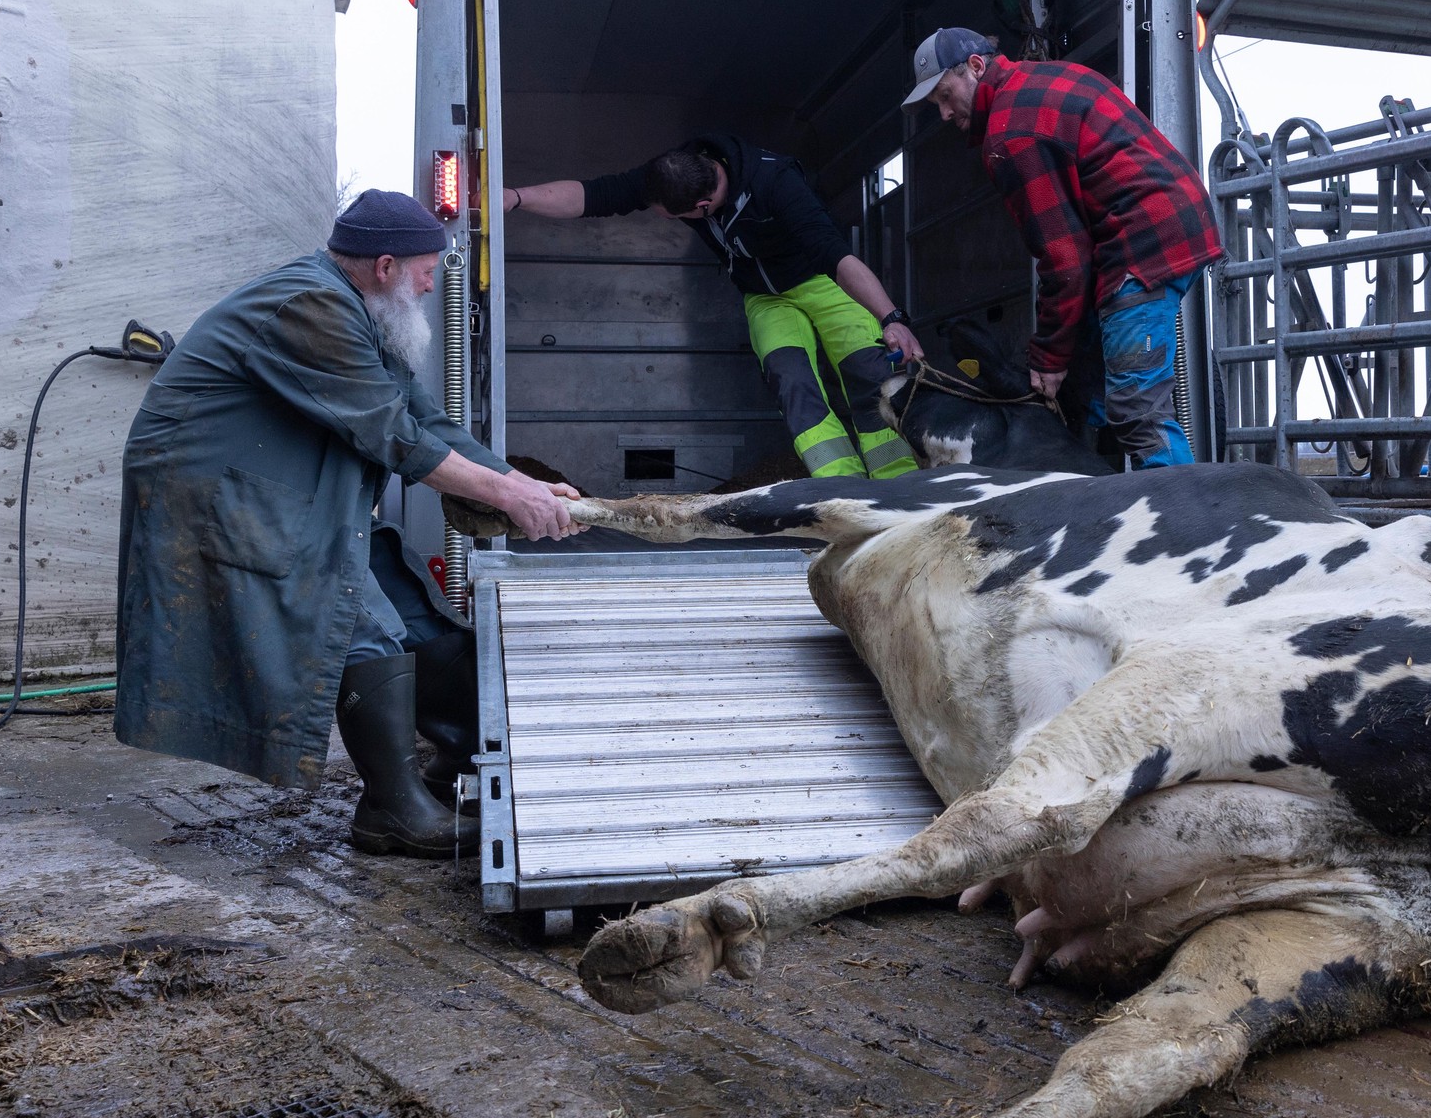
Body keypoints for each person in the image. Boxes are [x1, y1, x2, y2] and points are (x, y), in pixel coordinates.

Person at [114, 190, 583, 859]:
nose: (431, 283)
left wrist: (522, 484)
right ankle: (392, 811)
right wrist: (511, 498)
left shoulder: (362, 309)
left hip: (288, 486)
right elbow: (395, 438)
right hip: (214, 489)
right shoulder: (312, 305)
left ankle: (453, 758)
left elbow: (430, 421)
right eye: (427, 270)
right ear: (385, 265)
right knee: (363, 623)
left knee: (414, 612)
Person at [504, 135, 923, 480]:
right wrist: (516, 197)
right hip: (764, 296)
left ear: (702, 207)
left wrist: (891, 318)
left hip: (822, 279)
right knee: (791, 383)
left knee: (870, 375)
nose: (667, 220)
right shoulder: (674, 172)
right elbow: (594, 195)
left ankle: (902, 485)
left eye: (672, 217)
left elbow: (837, 257)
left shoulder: (774, 181)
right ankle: (842, 491)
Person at [904, 28, 1223, 469]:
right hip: (1165, 223)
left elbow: (1065, 260)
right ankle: (1099, 503)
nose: (942, 114)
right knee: (1088, 388)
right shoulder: (1048, 79)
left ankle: (1188, 528)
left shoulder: (1010, 134)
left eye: (943, 95)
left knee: (1136, 409)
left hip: (1142, 239)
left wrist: (1049, 357)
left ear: (976, 68)